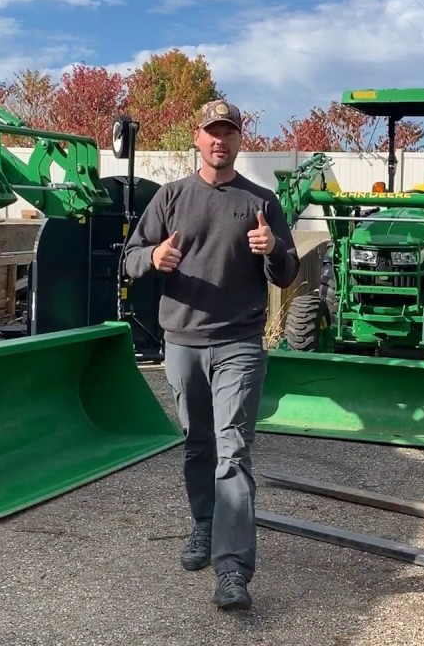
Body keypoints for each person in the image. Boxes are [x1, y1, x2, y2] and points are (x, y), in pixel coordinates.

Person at [123, 98, 300, 610]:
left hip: (239, 342)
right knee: (198, 444)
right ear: (197, 138)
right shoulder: (171, 198)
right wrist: (154, 256)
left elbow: (287, 274)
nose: (220, 140)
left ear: (241, 140)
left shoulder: (261, 202)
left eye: (229, 132)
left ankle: (233, 569)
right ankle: (204, 524)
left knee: (234, 450)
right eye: (211, 132)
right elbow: (130, 259)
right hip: (182, 342)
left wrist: (274, 250)